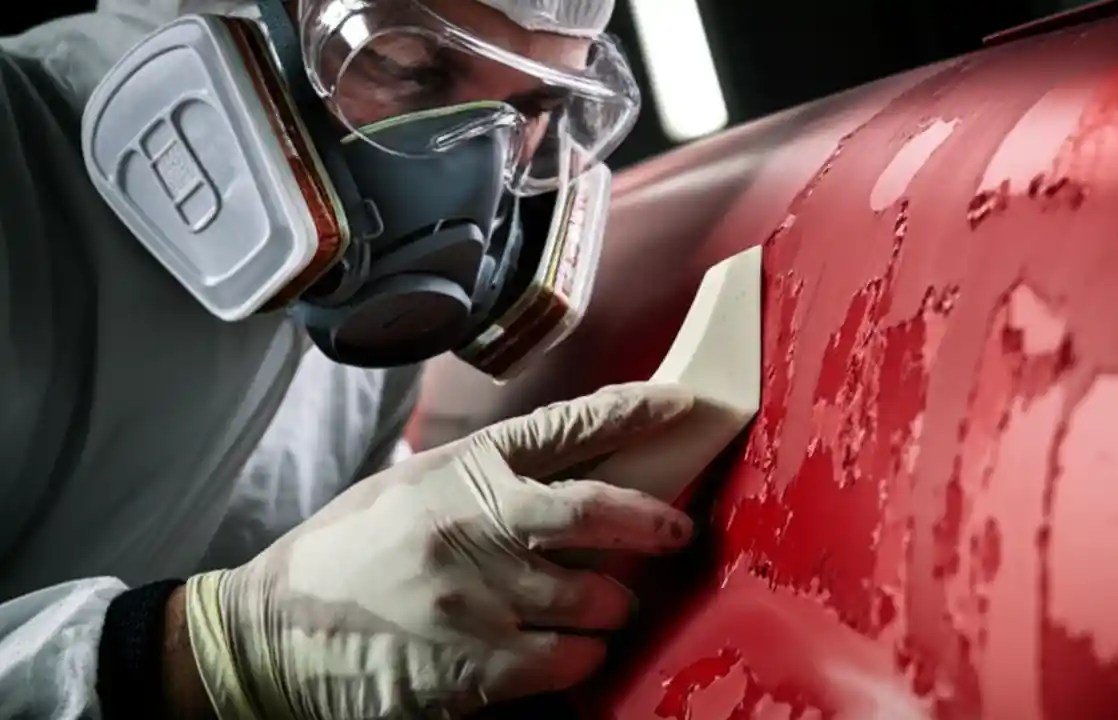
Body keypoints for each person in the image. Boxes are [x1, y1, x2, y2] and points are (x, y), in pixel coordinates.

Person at [0, 0, 697, 717]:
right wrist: (195, 653)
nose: (474, 178)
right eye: (406, 67)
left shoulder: (364, 319)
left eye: (535, 107)